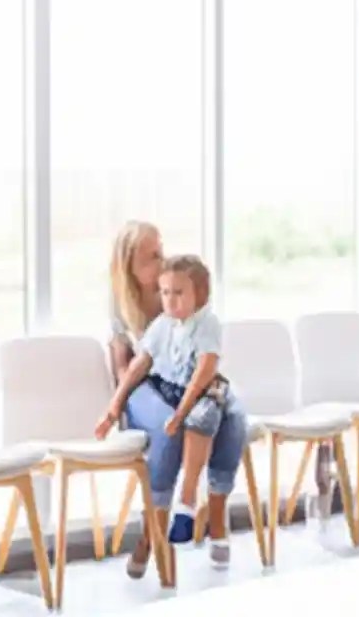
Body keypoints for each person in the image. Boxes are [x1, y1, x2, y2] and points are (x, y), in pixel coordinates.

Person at [105, 222, 247, 573]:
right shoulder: (122, 306)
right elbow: (124, 369)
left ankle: (215, 520)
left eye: (161, 250)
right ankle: (150, 536)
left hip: (187, 384)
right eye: (152, 256)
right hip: (145, 390)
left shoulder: (181, 291)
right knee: (171, 430)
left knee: (232, 417)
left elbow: (205, 354)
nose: (162, 259)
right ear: (130, 267)